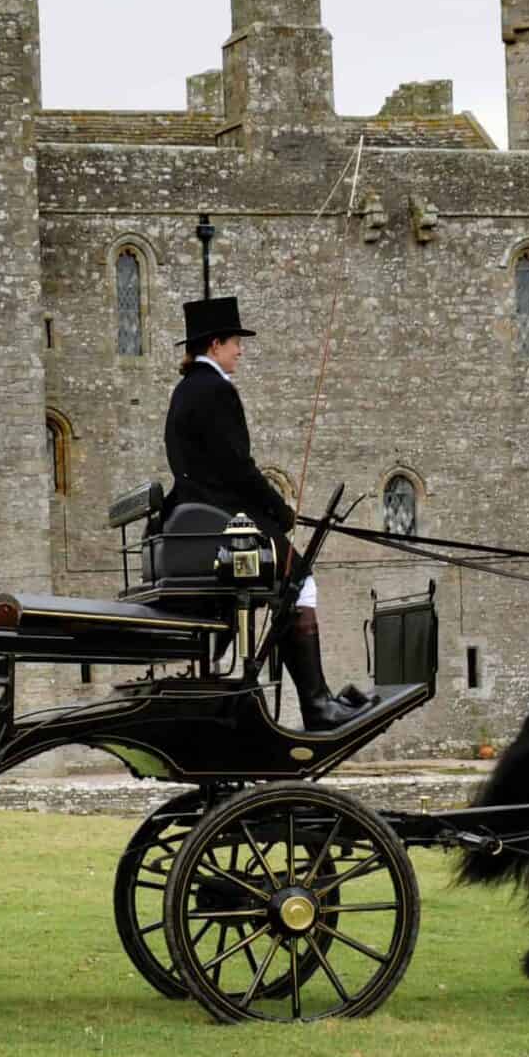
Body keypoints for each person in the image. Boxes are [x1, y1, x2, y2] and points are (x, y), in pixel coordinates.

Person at [163, 294, 370, 732]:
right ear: (215, 344)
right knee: (301, 581)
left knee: (296, 578)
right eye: (236, 341)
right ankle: (317, 705)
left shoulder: (184, 391)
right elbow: (236, 467)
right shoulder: (216, 390)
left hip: (198, 520)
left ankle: (320, 698)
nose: (241, 350)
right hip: (222, 525)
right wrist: (279, 509)